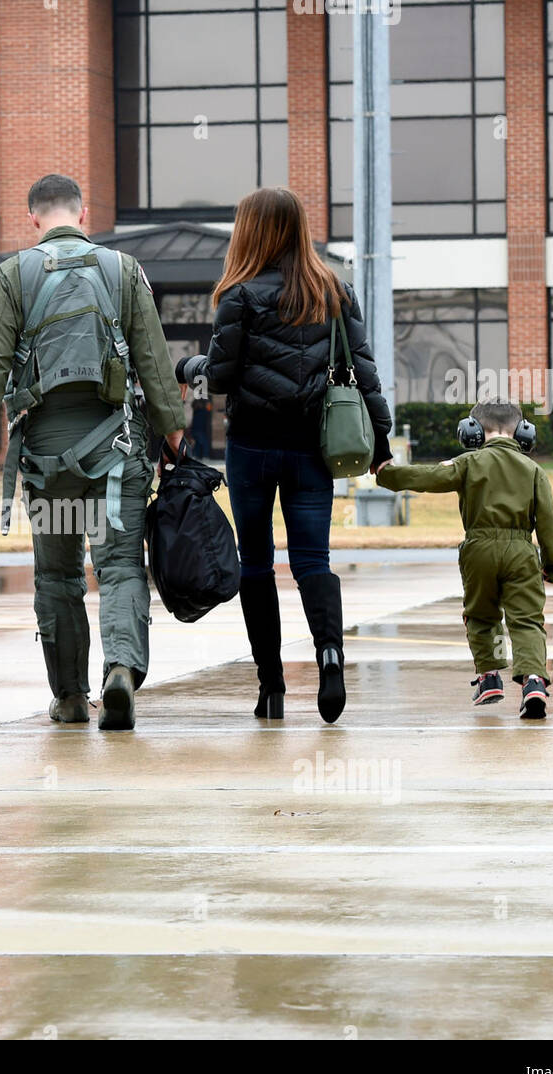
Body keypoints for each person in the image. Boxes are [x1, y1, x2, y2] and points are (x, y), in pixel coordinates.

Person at [0, 174, 187, 730]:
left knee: (57, 576)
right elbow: (154, 359)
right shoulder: (122, 270)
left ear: (33, 218)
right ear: (83, 215)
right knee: (118, 566)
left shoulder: (13, 275)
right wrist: (175, 432)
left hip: (45, 456)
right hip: (117, 450)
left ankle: (67, 696)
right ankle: (121, 669)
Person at [180, 186, 392, 724]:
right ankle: (330, 655)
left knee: (256, 564)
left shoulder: (240, 295)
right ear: (299, 228)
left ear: (251, 231)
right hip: (314, 449)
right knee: (312, 561)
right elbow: (362, 369)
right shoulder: (335, 292)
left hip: (252, 446)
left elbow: (221, 377)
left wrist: (186, 368)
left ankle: (271, 687)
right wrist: (382, 441)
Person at [376, 398, 553, 719]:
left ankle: (489, 676)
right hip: (521, 550)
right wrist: (552, 564)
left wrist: (386, 473)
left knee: (480, 615)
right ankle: (533, 682)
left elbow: (426, 477)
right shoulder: (534, 471)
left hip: (479, 548)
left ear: (471, 430)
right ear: (522, 432)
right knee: (526, 620)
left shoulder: (468, 463)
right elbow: (548, 520)